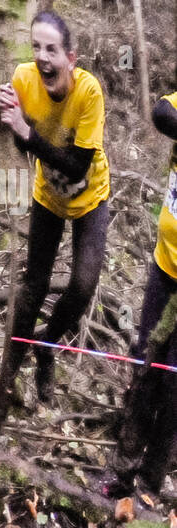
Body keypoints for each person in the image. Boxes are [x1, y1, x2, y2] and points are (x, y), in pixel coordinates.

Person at [0, 11, 111, 421]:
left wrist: (25, 131)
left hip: (89, 197)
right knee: (32, 289)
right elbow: (21, 150)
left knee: (82, 285)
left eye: (52, 50)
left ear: (70, 57)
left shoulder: (89, 93)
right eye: (36, 47)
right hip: (47, 198)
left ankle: (47, 345)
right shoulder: (24, 79)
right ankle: (3, 389)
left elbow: (76, 166)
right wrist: (9, 124)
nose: (42, 58)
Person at [103, 91, 177, 501]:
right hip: (164, 269)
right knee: (145, 362)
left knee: (173, 386)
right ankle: (123, 471)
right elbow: (163, 112)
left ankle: (151, 482)